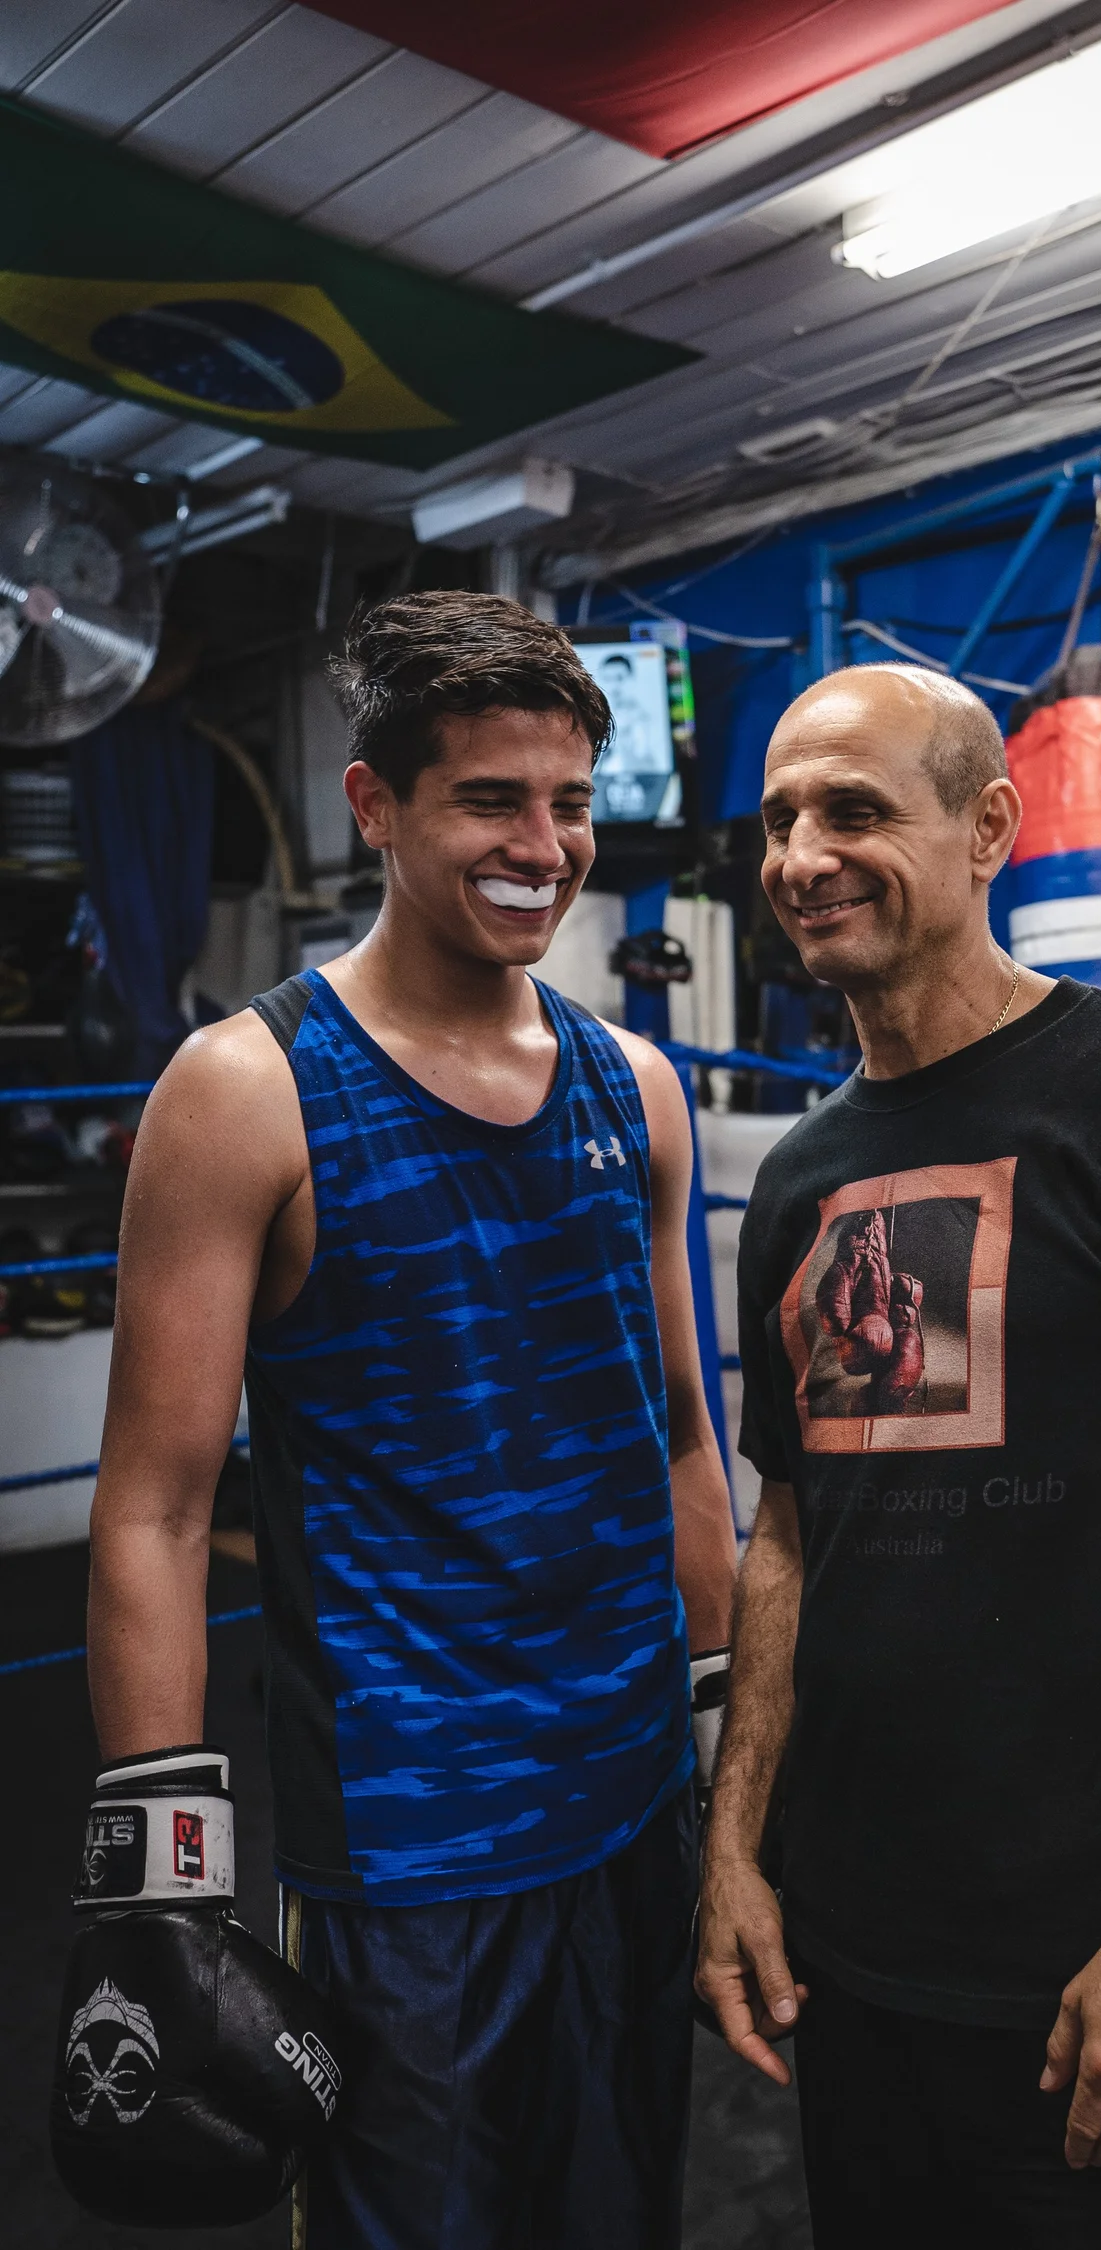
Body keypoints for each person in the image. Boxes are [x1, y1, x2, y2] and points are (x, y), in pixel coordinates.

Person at [85, 593, 738, 2249]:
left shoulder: (635, 1093)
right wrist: (159, 1896)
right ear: (376, 806)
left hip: (634, 1804)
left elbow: (676, 1435)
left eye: (571, 801)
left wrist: (738, 1749)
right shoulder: (249, 1091)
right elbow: (155, 1509)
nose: (545, 844)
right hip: (410, 1847)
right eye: (491, 800)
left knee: (620, 2217)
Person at [697, 663, 1101, 2249]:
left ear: (989, 826)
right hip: (857, 1968)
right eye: (782, 816)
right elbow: (789, 1533)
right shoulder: (798, 1180)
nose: (801, 853)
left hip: (1096, 1978)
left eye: (855, 808)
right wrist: (731, 1850)